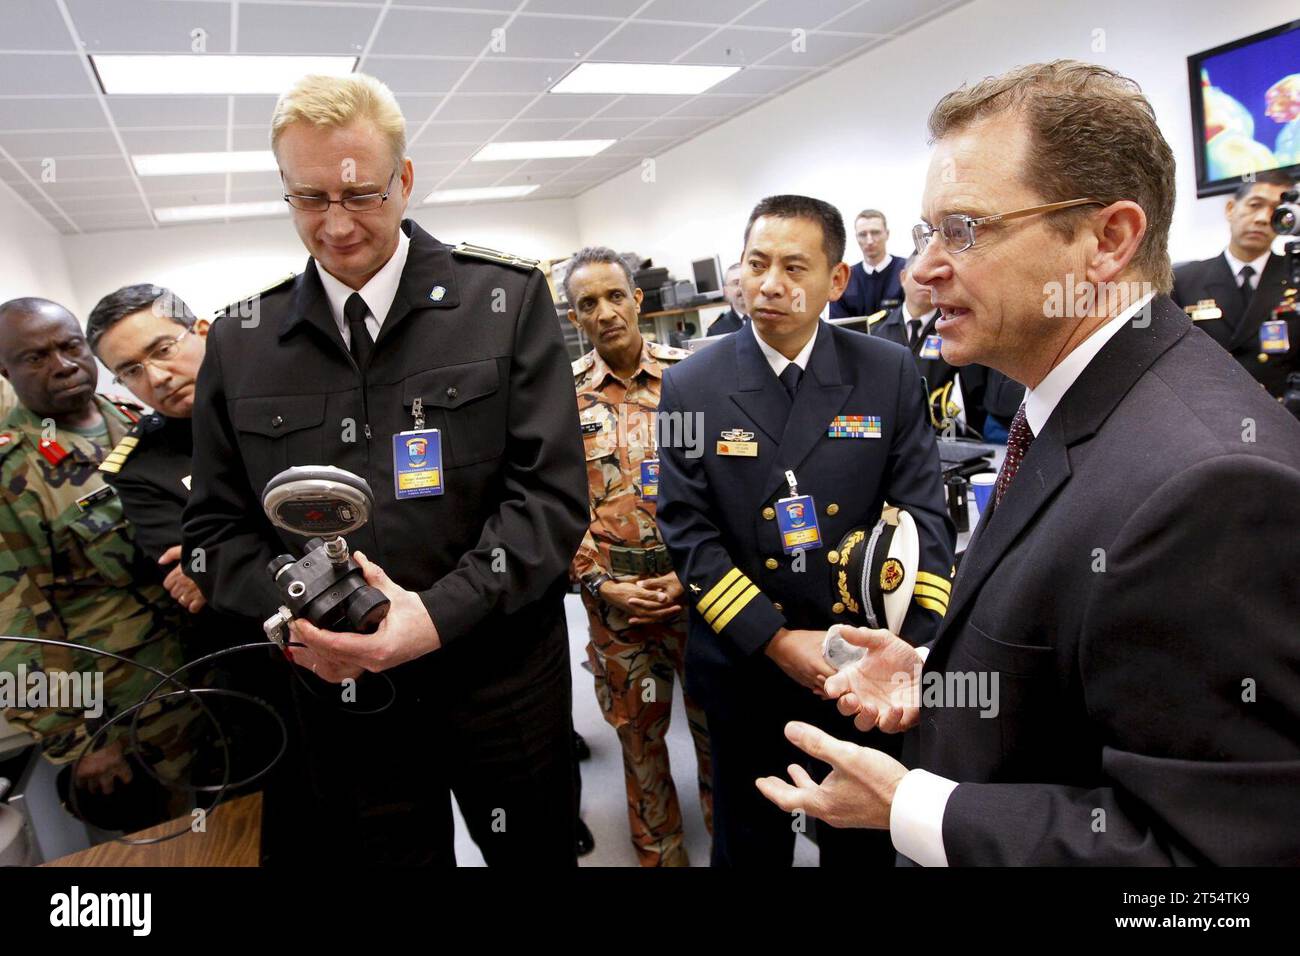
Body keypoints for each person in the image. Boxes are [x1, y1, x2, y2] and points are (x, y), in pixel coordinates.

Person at [756, 61, 1300, 865]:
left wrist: (913, 809)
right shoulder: (1076, 403)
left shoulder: (1210, 486)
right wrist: (940, 678)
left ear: (1108, 241)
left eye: (964, 229)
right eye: (925, 233)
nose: (920, 270)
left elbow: (1214, 873)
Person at [181, 72, 589, 866]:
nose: (335, 226)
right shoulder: (241, 340)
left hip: (498, 674)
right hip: (343, 688)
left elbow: (548, 497)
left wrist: (433, 618)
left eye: (360, 195)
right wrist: (305, 618)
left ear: (403, 180)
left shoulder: (501, 299)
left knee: (534, 852)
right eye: (308, 199)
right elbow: (215, 532)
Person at [656, 194, 955, 867]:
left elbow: (923, 514)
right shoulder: (691, 385)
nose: (770, 284)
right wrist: (776, 638)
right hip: (748, 660)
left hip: (860, 663)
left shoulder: (885, 371)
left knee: (860, 848)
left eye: (794, 267)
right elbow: (686, 530)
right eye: (757, 263)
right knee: (751, 840)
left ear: (837, 280)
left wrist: (907, 642)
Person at [86, 283, 297, 862]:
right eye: (129, 370)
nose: (154, 376)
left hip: (357, 645)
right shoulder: (138, 465)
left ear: (201, 330)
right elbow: (201, 577)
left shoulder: (287, 396)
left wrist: (228, 548)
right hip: (252, 669)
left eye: (162, 349)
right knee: (282, 823)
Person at [0, 297, 194, 833]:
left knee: (240, 828)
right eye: (35, 357)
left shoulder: (137, 419)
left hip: (205, 673)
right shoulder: (15, 473)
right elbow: (16, 629)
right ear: (5, 370)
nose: (61, 365)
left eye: (69, 346)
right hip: (125, 710)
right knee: (169, 846)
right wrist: (78, 741)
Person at [566, 246, 713, 867]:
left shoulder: (690, 380)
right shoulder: (562, 399)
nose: (605, 312)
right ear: (575, 320)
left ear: (638, 300)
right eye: (587, 304)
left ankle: (735, 847)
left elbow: (720, 486)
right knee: (640, 741)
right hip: (618, 612)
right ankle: (662, 855)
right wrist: (600, 585)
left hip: (700, 600)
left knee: (717, 736)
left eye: (614, 296)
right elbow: (558, 509)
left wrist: (692, 575)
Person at [872, 253, 1024, 439]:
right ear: (903, 278)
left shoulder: (958, 328)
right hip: (888, 434)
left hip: (945, 436)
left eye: (934, 277)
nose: (927, 283)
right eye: (918, 275)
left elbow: (975, 392)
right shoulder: (875, 328)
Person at [1172, 170, 1296, 397]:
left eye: (1275, 210)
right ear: (1231, 209)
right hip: (1212, 411)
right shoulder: (1184, 281)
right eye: (1255, 205)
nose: (1262, 218)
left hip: (1283, 415)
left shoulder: (1295, 276)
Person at [829, 209, 905, 320]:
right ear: (856, 237)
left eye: (875, 233)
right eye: (863, 234)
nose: (869, 241)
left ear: (887, 234)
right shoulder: (844, 278)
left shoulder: (908, 271)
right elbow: (838, 326)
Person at [706, 262, 748, 336]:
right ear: (726, 292)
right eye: (736, 283)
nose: (742, 288)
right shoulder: (716, 331)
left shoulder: (770, 319)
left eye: (746, 281)